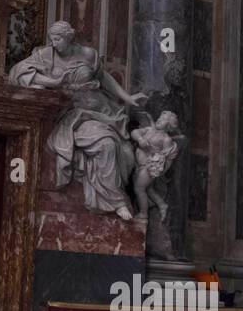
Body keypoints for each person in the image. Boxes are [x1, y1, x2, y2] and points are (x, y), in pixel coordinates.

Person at [8, 20, 147, 219]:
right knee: (106, 144)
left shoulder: (88, 54)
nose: (54, 43)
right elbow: (17, 73)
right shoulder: (46, 55)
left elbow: (104, 78)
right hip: (71, 114)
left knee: (126, 152)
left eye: (58, 39)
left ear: (69, 37)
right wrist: (52, 82)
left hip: (100, 109)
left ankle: (117, 197)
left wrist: (127, 97)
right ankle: (116, 201)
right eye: (52, 39)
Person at [130, 111, 182, 221]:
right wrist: (140, 139)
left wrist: (158, 170)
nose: (158, 120)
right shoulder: (149, 130)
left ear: (168, 125)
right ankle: (162, 205)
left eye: (162, 120)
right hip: (139, 164)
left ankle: (143, 213)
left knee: (139, 188)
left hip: (149, 167)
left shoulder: (166, 139)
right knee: (149, 189)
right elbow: (134, 132)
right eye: (159, 117)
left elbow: (167, 158)